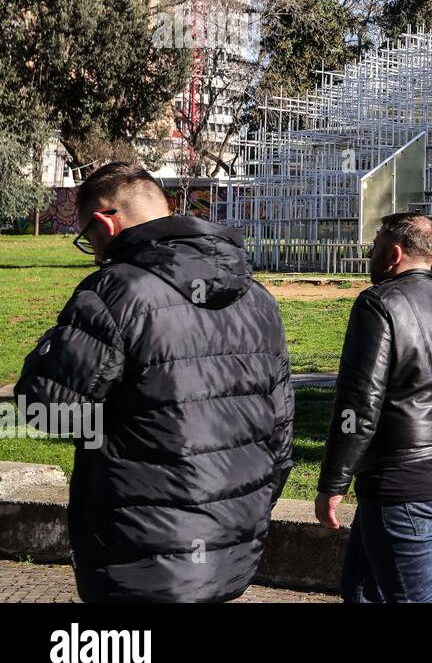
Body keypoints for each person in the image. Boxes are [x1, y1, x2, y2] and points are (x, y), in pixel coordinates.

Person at [16, 163, 294, 602]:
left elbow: (46, 410)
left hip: (140, 550)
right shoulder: (257, 298)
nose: (93, 252)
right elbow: (280, 429)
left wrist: (56, 342)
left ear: (106, 223)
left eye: (88, 239)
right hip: (232, 542)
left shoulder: (115, 291)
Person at [314, 212, 432, 603]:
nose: (371, 254)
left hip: (401, 487)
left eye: (375, 246)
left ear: (394, 254)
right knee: (362, 591)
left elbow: (359, 405)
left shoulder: (377, 305)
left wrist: (332, 484)